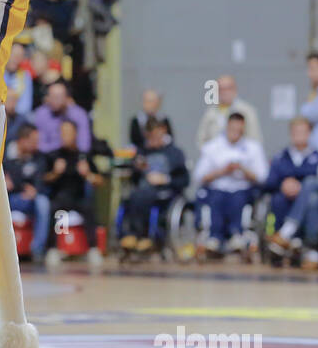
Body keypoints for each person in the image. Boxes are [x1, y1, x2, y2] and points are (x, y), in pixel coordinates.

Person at [193, 111, 268, 254]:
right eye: (233, 129)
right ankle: (214, 237)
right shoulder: (212, 147)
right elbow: (199, 176)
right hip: (217, 188)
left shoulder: (253, 148)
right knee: (215, 198)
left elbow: (262, 177)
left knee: (238, 199)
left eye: (239, 130)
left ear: (243, 129)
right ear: (227, 127)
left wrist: (242, 169)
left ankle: (237, 235)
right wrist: (222, 171)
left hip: (242, 189)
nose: (235, 133)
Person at [262, 117, 318, 267]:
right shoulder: (280, 156)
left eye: (302, 132)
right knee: (278, 199)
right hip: (284, 199)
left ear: (310, 134)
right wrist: (283, 184)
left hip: (311, 202)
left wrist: (301, 187)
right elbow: (269, 182)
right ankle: (282, 238)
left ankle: (305, 243)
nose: (299, 135)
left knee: (313, 200)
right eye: (296, 132)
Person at [119, 116, 188, 254]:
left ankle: (143, 235)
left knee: (144, 196)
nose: (153, 140)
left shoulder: (174, 153)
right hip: (142, 191)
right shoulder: (142, 152)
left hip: (164, 194)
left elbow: (184, 180)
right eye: (150, 137)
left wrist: (166, 179)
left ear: (163, 131)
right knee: (132, 196)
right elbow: (134, 177)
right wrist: (137, 169)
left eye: (156, 135)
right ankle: (130, 235)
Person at [42, 119, 104, 267]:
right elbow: (43, 179)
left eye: (68, 132)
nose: (65, 136)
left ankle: (93, 249)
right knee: (53, 209)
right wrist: (55, 173)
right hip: (60, 197)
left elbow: (100, 180)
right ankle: (52, 249)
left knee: (89, 208)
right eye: (63, 133)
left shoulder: (83, 156)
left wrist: (87, 174)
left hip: (79, 197)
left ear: (75, 134)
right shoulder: (54, 155)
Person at [3, 123, 52, 261]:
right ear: (23, 140)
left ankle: (37, 250)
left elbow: (40, 180)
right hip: (10, 198)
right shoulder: (5, 153)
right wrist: (19, 186)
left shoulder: (39, 157)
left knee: (43, 202)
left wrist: (35, 190)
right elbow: (8, 182)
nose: (37, 145)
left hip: (31, 199)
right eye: (33, 141)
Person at [196, 74, 263, 149]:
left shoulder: (247, 111)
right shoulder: (210, 113)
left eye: (228, 88)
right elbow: (201, 139)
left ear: (235, 90)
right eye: (221, 89)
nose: (224, 92)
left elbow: (255, 139)